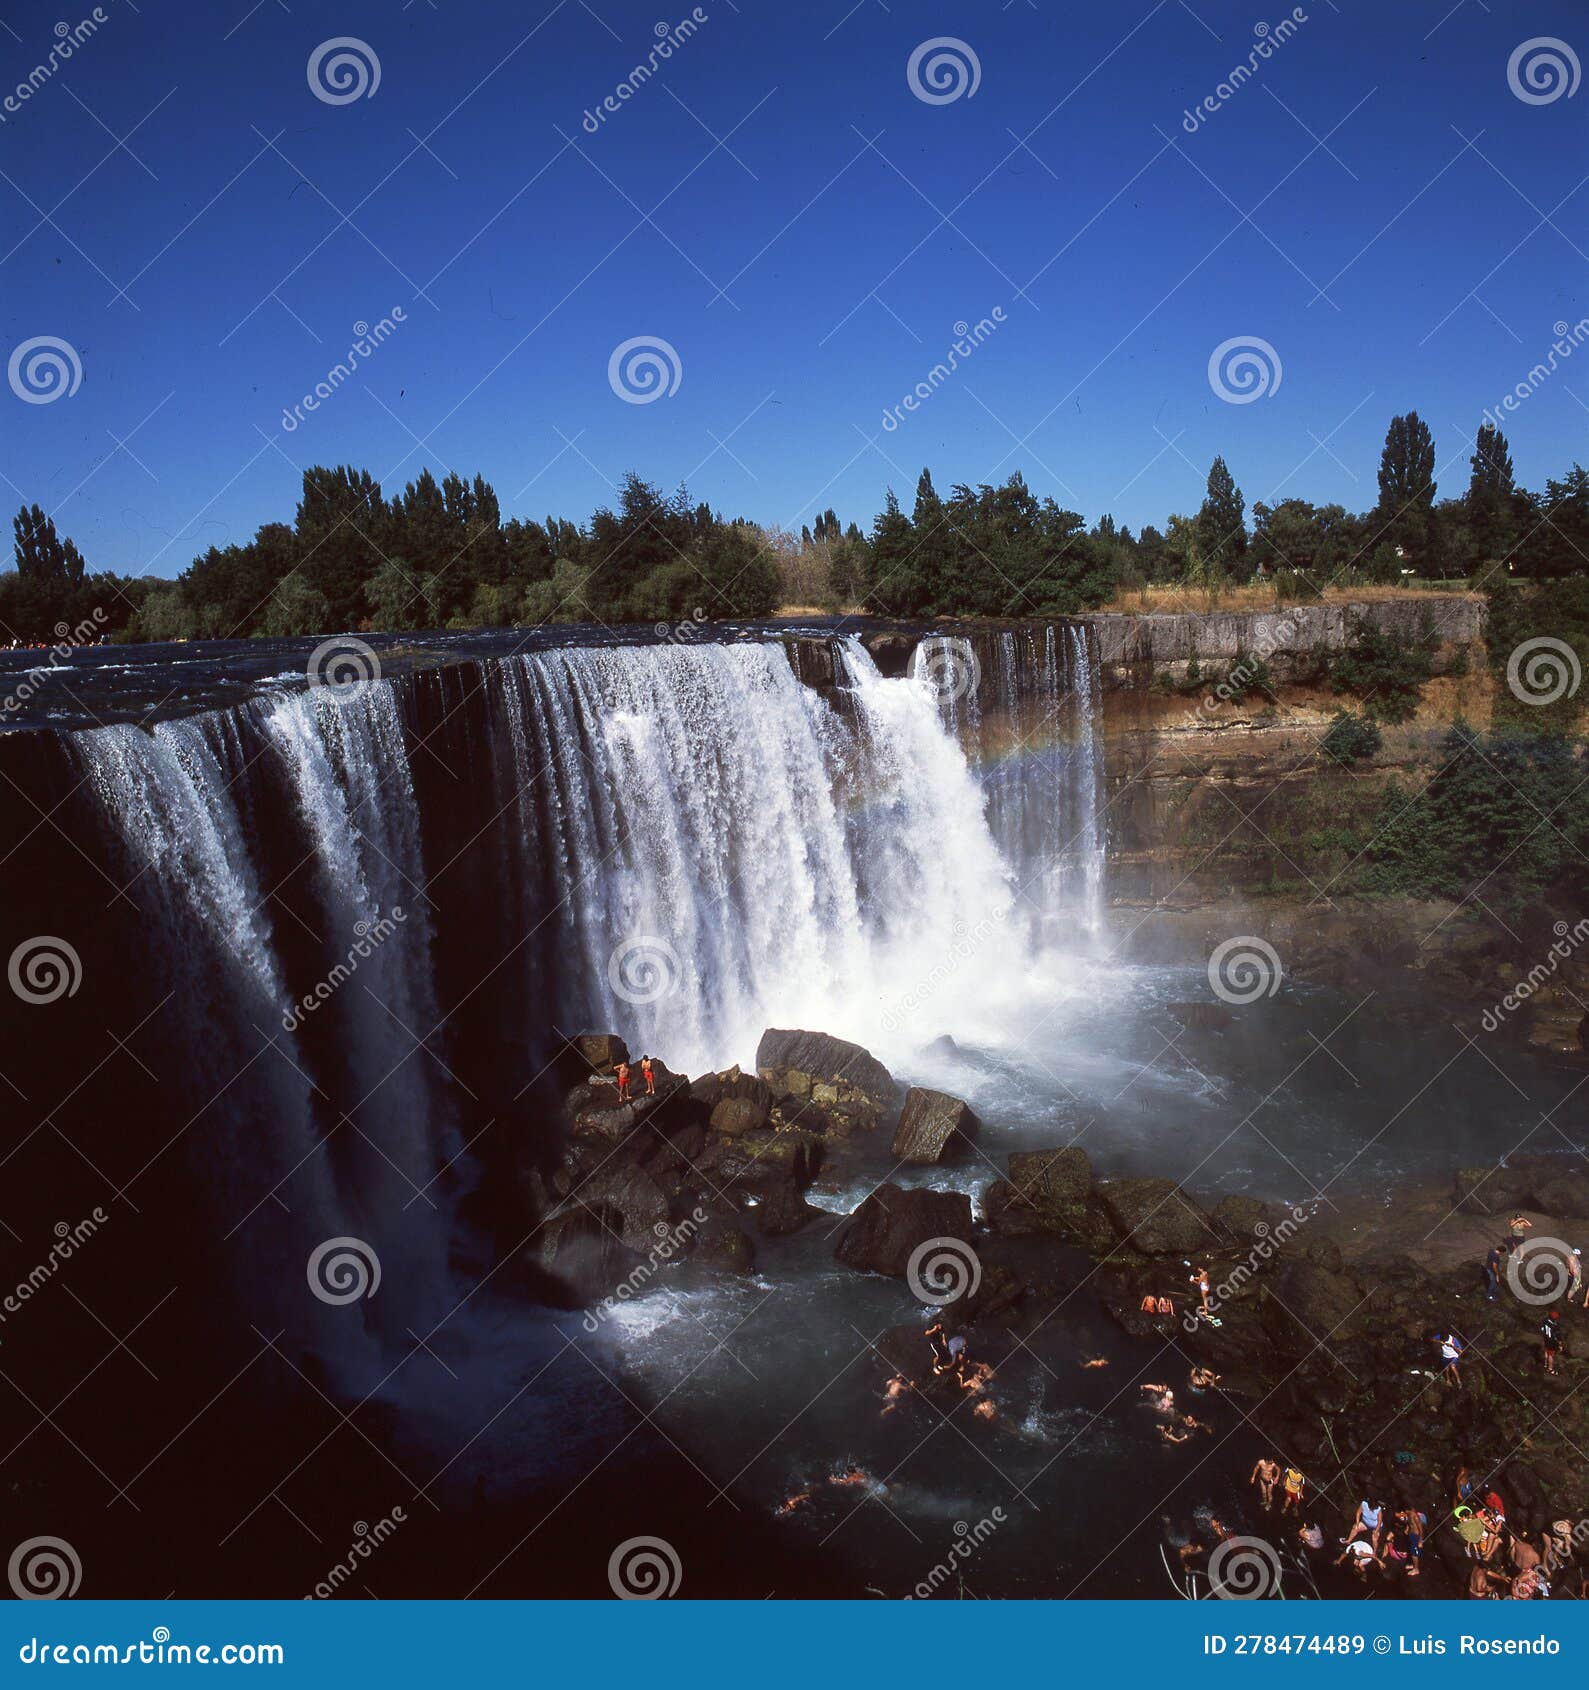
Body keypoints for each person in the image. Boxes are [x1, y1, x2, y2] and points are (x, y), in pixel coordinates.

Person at [1542, 1309, 1563, 1376]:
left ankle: (1545, 1365)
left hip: (1545, 1339)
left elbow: (1542, 1329)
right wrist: (1560, 1345)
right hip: (1551, 1342)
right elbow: (1558, 1337)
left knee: (1546, 1351)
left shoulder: (1544, 1321)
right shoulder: (1555, 1326)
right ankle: (1550, 1369)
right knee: (1551, 1355)